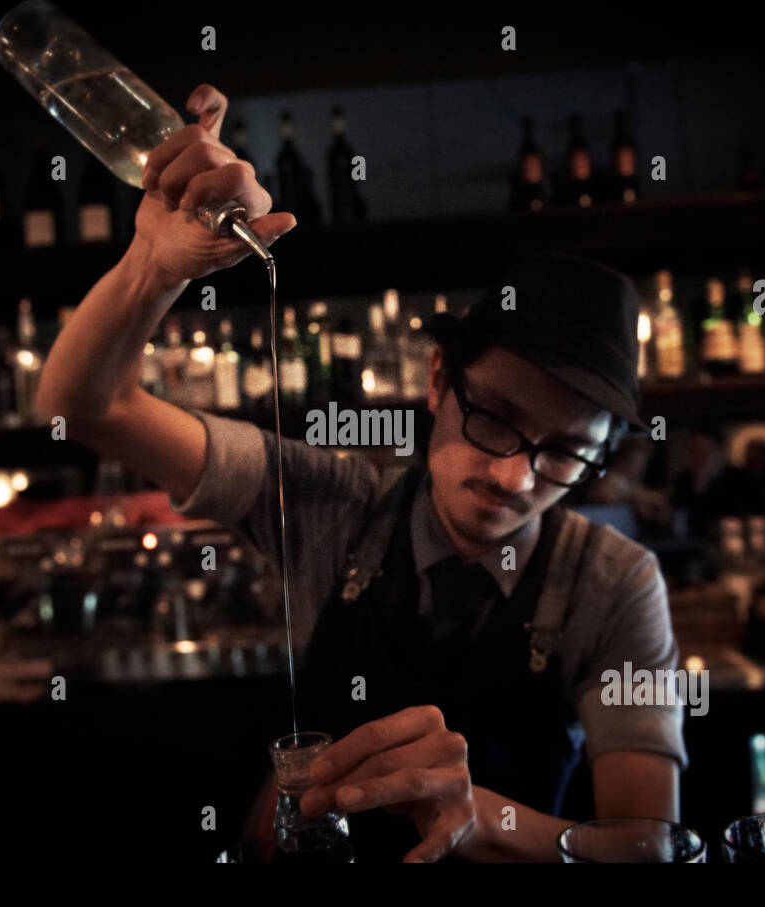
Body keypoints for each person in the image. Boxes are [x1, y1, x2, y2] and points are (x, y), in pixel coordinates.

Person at [36, 84, 687, 863]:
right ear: (440, 380)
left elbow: (650, 845)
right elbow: (84, 405)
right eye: (497, 420)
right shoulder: (331, 503)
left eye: (565, 452)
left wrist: (477, 818)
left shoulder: (616, 584)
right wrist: (153, 265)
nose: (515, 477)